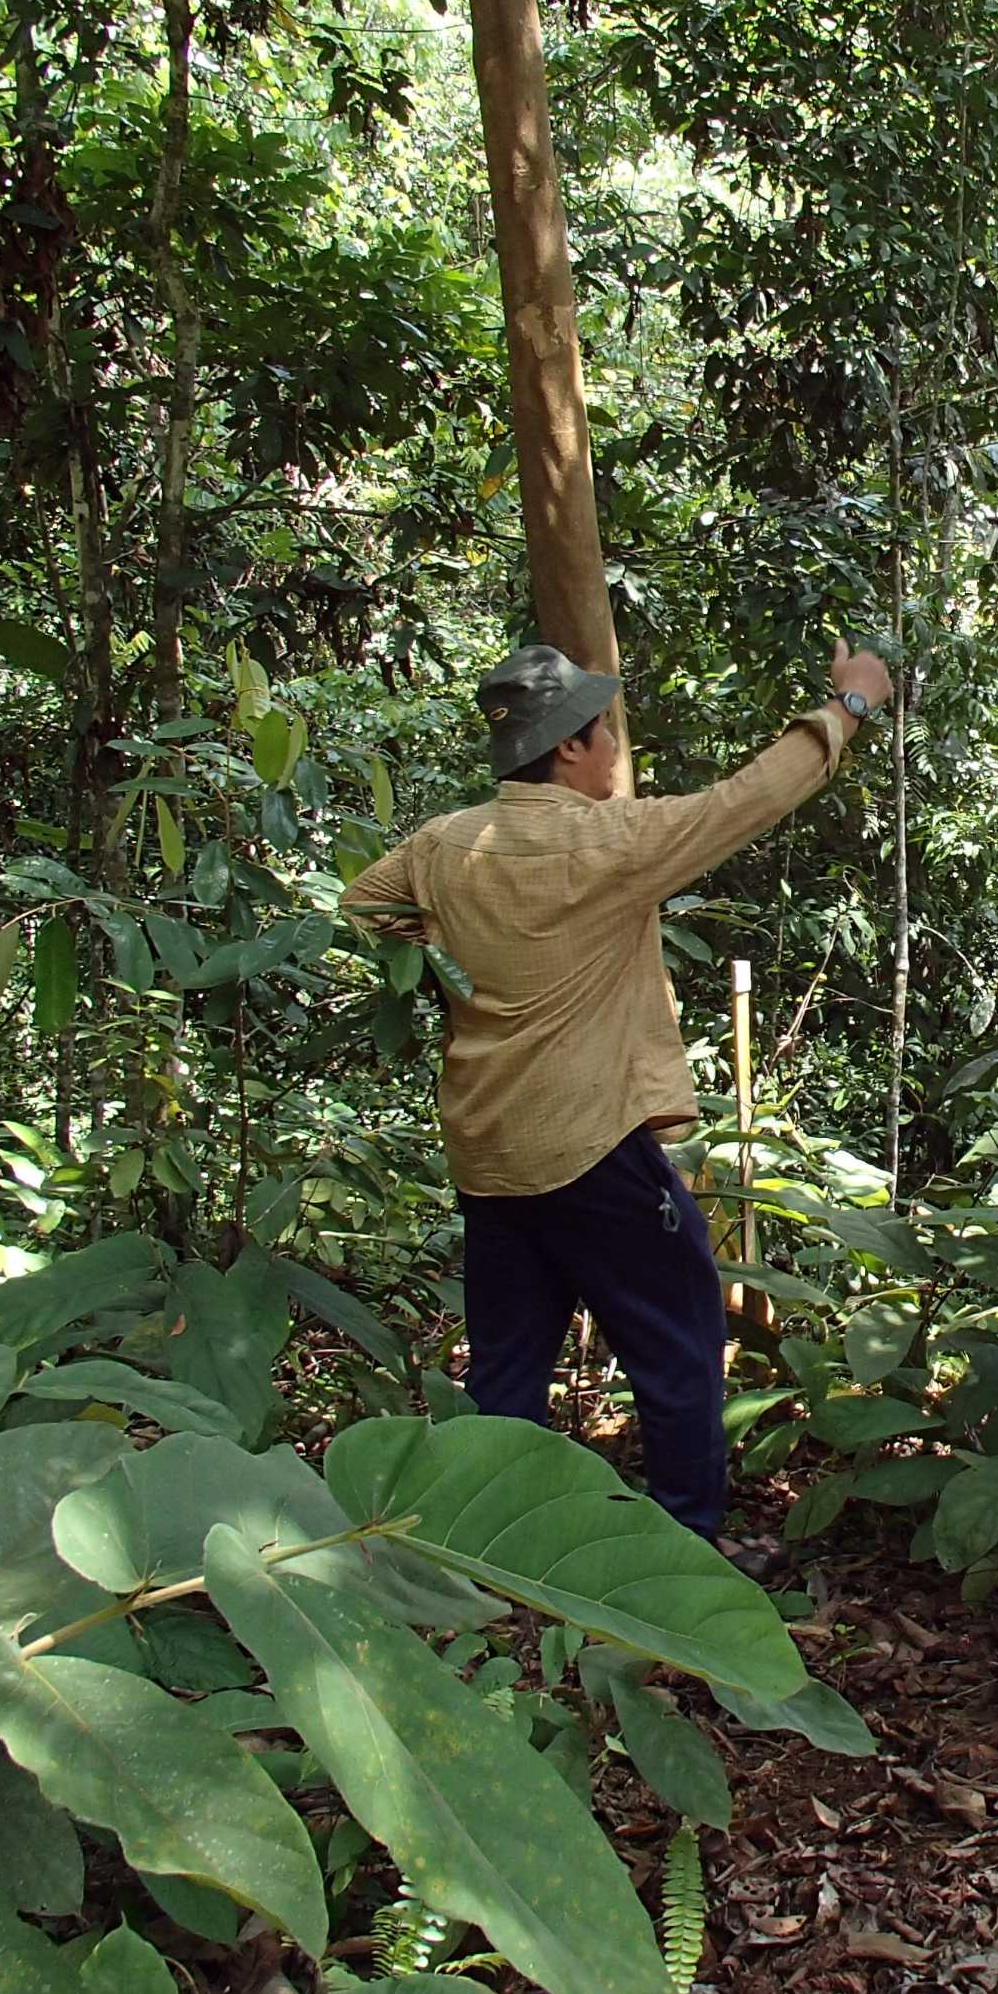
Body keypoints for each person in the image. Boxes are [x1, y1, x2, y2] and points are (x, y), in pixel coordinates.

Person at [345, 636, 891, 1558]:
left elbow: (364, 909)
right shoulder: (606, 843)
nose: (614, 754)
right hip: (592, 1144)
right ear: (569, 747)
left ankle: (478, 1554)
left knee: (510, 1363)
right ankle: (685, 1548)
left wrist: (461, 964)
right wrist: (850, 709)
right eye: (607, 736)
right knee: (679, 1336)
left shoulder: (442, 846)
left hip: (491, 1149)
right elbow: (744, 802)